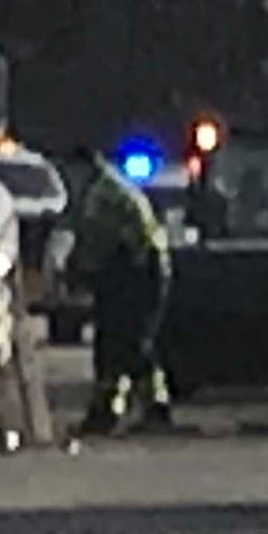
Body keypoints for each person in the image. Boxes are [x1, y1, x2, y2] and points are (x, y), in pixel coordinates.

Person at [66, 144, 173, 435]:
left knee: (123, 341)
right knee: (126, 341)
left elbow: (95, 241)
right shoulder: (109, 185)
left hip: (136, 268)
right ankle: (141, 404)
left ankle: (116, 409)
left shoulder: (102, 195)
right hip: (139, 266)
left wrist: (76, 272)